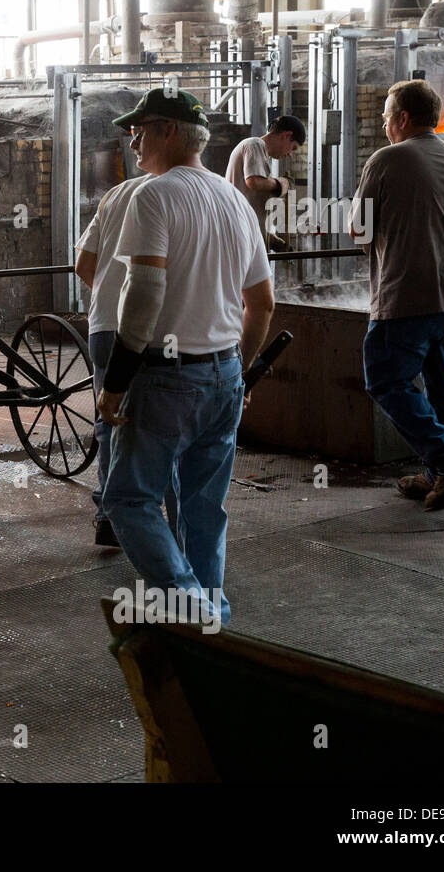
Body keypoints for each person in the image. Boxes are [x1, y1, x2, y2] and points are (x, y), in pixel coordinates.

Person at [96, 88, 276, 627]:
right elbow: (262, 304)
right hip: (222, 371)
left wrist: (115, 380)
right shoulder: (235, 201)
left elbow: (145, 293)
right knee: (202, 507)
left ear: (169, 131)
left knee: (128, 499)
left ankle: (192, 608)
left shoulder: (153, 197)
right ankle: (212, 617)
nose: (132, 139)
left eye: (140, 128)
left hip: (167, 378)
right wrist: (238, 373)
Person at [349, 79, 444, 511]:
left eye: (388, 116)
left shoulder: (386, 158)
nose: (387, 124)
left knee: (386, 380)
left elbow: (360, 230)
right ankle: (439, 476)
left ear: (403, 119)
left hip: (409, 295)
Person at [75, 169, 178, 549]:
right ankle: (167, 527)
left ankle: (108, 518)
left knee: (109, 425)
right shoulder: (177, 195)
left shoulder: (114, 195)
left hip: (102, 327)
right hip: (151, 332)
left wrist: (109, 298)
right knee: (160, 428)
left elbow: (83, 265)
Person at [224, 115, 306, 250]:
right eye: (293, 147)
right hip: (241, 239)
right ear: (286, 136)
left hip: (247, 236)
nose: (290, 154)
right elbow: (254, 182)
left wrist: (270, 239)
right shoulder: (254, 144)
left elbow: (252, 203)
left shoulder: (260, 152)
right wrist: (282, 184)